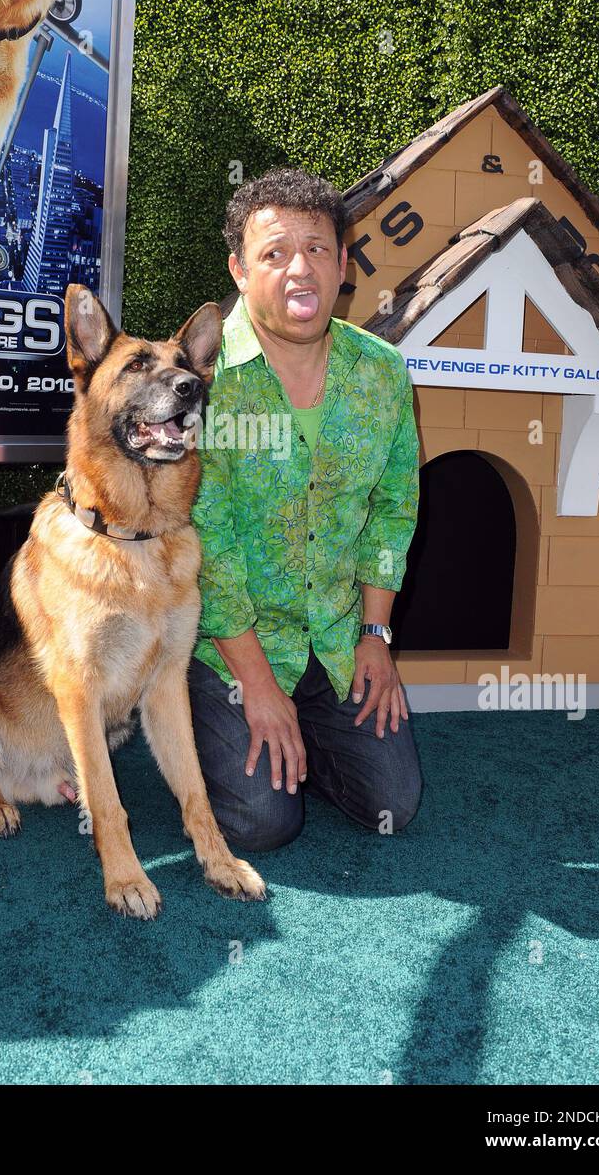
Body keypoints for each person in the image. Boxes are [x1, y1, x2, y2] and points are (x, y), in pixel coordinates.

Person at [187, 165, 423, 852]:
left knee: (393, 804)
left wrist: (375, 637)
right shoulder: (200, 381)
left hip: (339, 637)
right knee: (262, 825)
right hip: (231, 646)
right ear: (238, 269)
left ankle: (303, 744)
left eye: (318, 249)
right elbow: (210, 547)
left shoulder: (381, 371)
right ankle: (213, 729)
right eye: (274, 253)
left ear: (344, 263)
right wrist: (258, 687)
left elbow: (393, 506)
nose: (300, 270)